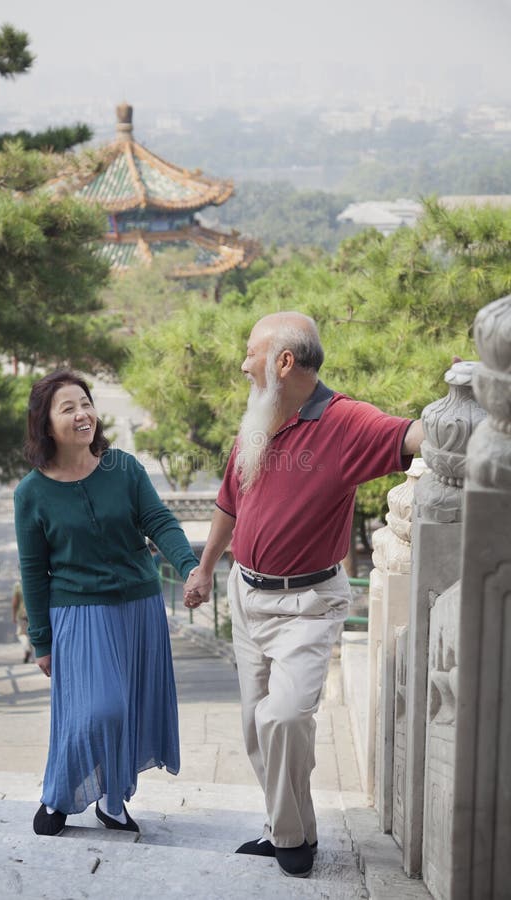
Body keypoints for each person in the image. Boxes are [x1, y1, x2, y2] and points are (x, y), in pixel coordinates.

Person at [183, 311, 423, 879]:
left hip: (308, 606)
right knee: (254, 727)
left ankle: (291, 840)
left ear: (284, 361)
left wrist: (462, 403)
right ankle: (289, 827)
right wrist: (204, 569)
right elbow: (229, 502)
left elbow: (413, 436)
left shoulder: (346, 423)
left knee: (286, 719)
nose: (244, 363)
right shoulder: (259, 417)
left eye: (252, 352)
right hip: (247, 596)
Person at [14, 370, 200, 837]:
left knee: (130, 708)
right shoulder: (31, 493)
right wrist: (41, 641)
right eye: (68, 408)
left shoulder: (122, 467)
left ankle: (113, 802)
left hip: (139, 607)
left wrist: (189, 566)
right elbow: (34, 572)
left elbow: (159, 520)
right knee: (102, 710)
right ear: (46, 424)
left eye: (86, 403)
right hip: (78, 613)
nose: (82, 415)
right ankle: (59, 794)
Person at [11, 576, 32, 664]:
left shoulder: (18, 586)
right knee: (30, 635)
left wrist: (14, 616)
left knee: (21, 634)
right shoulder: (32, 582)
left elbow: (15, 603)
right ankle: (29, 653)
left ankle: (27, 649)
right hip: (32, 614)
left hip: (22, 614)